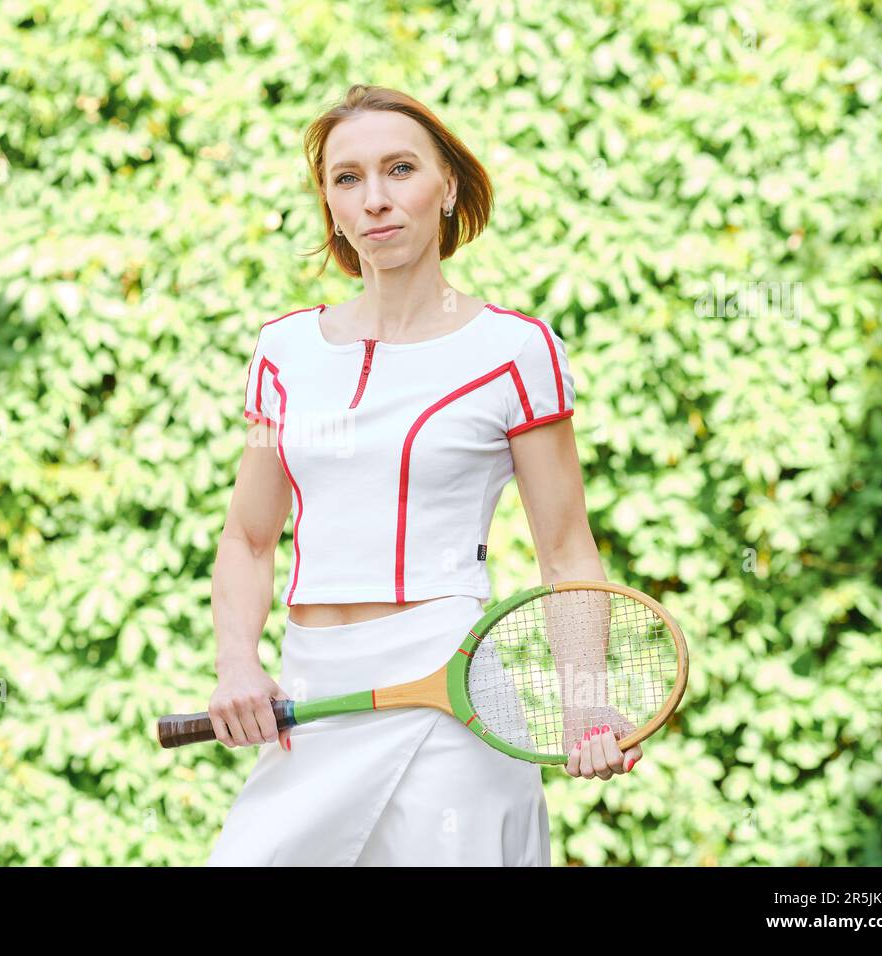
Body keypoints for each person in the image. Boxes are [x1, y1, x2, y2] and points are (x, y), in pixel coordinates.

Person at [205, 84, 642, 867]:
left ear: (447, 187)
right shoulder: (283, 354)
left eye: (399, 169)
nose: (374, 198)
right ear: (330, 206)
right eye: (347, 178)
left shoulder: (516, 351)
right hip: (315, 700)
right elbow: (247, 536)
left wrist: (584, 702)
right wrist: (238, 661)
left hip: (455, 703)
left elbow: (567, 549)